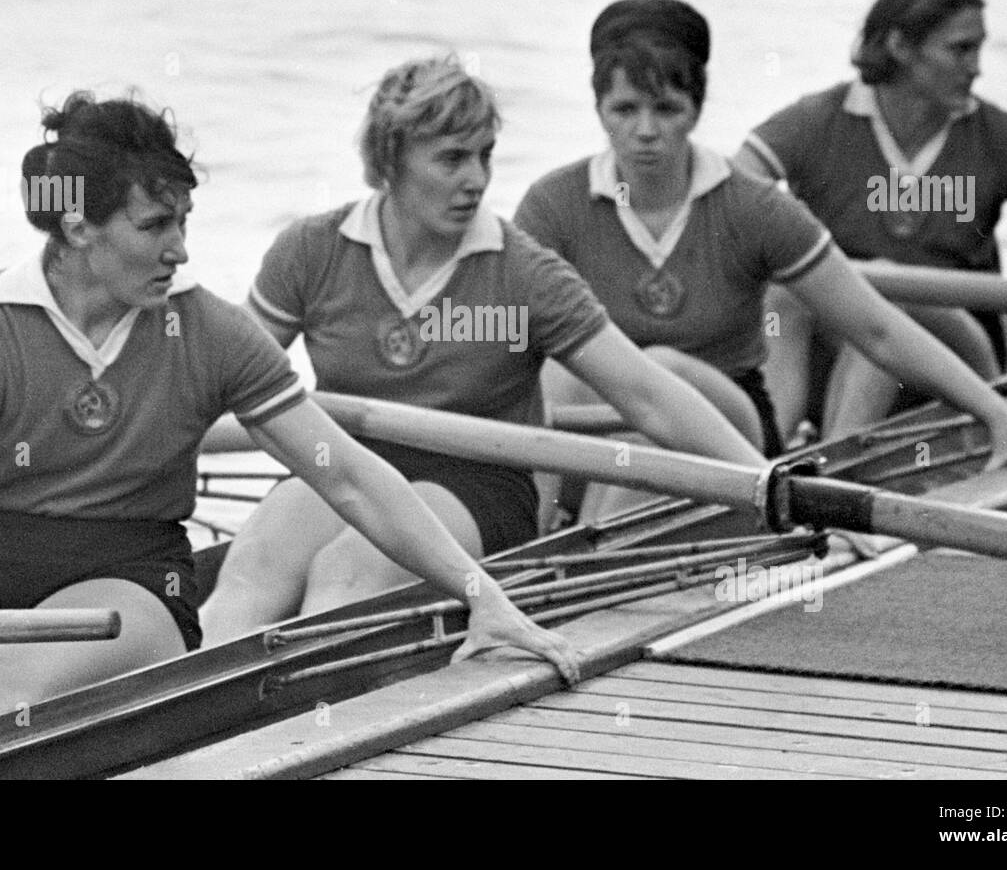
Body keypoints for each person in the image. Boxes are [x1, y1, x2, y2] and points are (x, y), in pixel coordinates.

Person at [0, 92, 580, 768]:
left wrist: (483, 592)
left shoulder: (207, 331)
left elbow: (344, 474)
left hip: (134, 583)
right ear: (79, 225)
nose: (181, 249)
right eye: (156, 225)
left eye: (184, 221)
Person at [200, 56, 770, 645]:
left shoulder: (523, 271)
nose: (476, 179)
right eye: (452, 158)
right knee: (252, 569)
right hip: (347, 460)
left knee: (349, 575)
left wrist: (766, 484)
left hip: (478, 478)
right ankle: (188, 720)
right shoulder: (310, 252)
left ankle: (307, 720)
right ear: (390, 162)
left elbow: (647, 397)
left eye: (485, 155)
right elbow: (224, 390)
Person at [514, 0, 1007, 516]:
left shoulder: (752, 208)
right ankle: (529, 543)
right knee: (544, 371)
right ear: (598, 108)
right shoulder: (554, 203)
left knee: (658, 369)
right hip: (608, 420)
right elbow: (507, 351)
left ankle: (586, 545)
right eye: (624, 109)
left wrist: (1003, 419)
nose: (645, 132)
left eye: (666, 110)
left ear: (696, 108)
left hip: (733, 428)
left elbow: (879, 329)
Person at [735, 0, 1007, 435]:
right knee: (787, 295)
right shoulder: (816, 123)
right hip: (842, 349)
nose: (976, 68)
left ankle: (830, 472)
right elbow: (725, 210)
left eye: (979, 50)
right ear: (900, 47)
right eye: (960, 50)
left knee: (884, 302)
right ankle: (766, 455)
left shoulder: (1000, 138)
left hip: (966, 361)